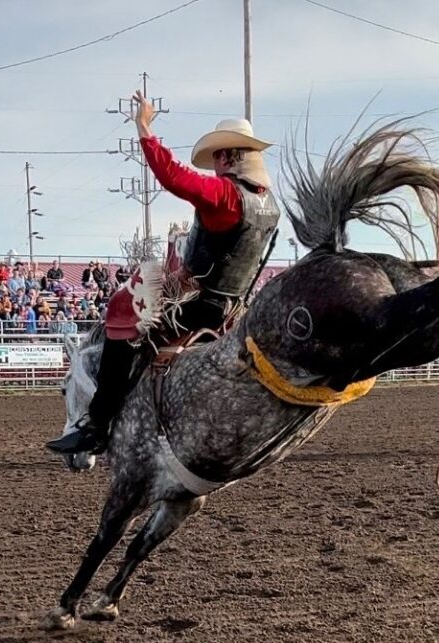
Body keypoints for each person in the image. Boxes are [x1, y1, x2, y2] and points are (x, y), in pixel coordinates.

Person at [47, 90, 280, 455]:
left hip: (199, 300)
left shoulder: (225, 195)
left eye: (220, 154)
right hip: (234, 305)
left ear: (234, 156)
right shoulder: (269, 204)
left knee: (122, 309)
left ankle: (98, 422)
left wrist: (144, 129)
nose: (216, 161)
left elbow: (173, 177)